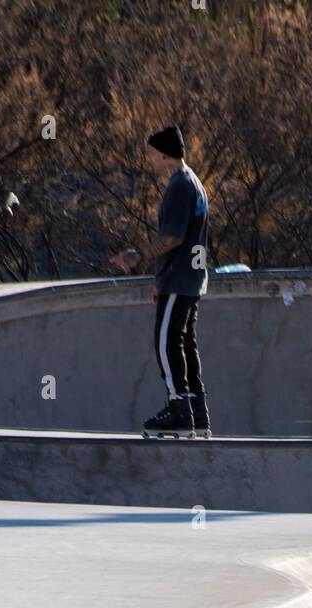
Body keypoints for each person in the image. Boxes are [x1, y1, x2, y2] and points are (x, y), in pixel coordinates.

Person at [110, 125, 211, 438]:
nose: (148, 157)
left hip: (180, 280)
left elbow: (173, 237)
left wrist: (136, 254)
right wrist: (160, 279)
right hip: (188, 278)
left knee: (166, 342)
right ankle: (197, 412)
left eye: (151, 152)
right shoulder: (193, 181)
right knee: (185, 344)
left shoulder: (181, 185)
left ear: (165, 153)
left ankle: (179, 410)